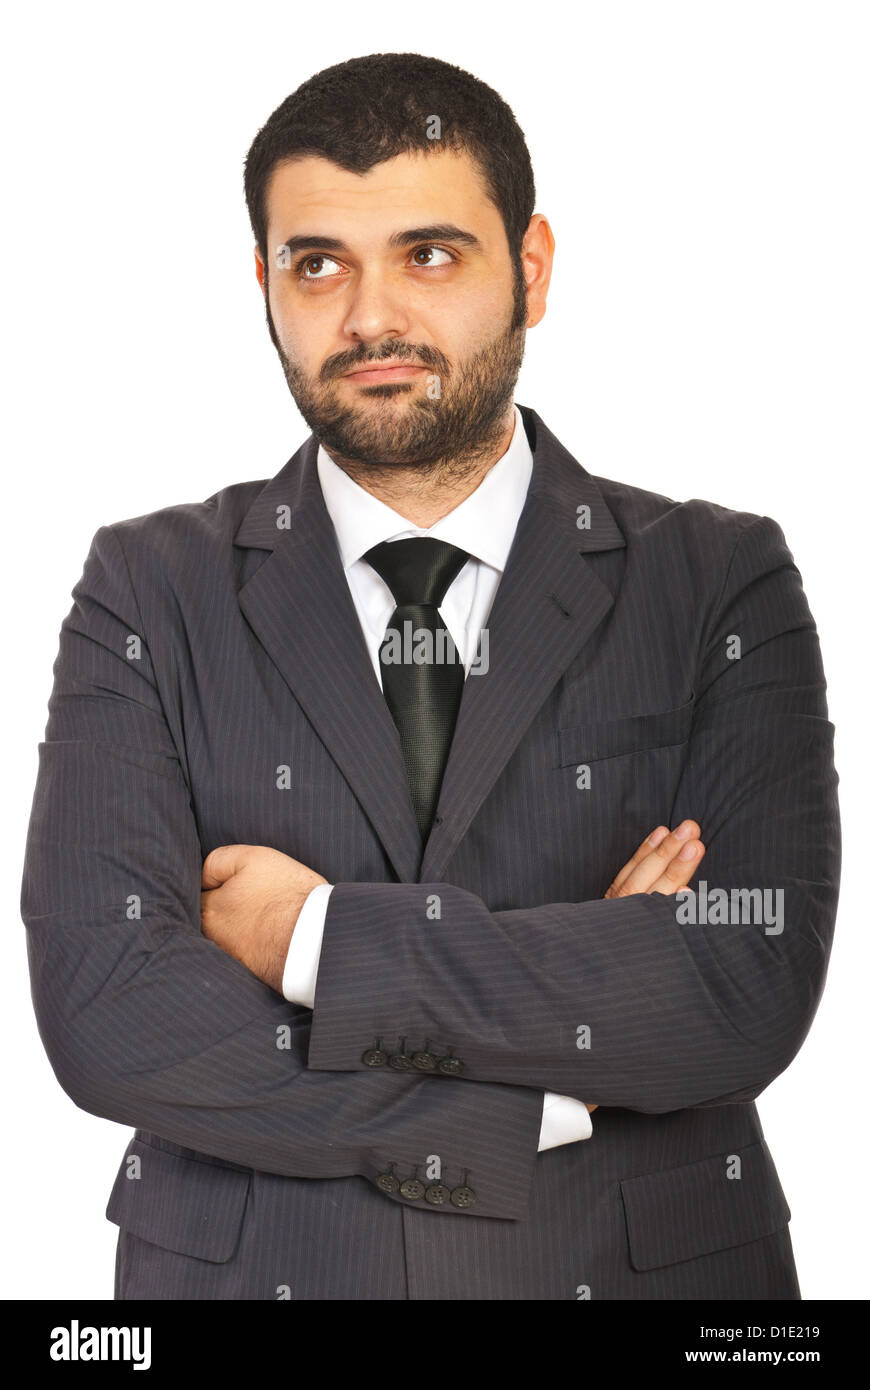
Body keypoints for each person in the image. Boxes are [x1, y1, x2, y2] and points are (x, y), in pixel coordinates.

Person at [21, 51, 840, 1301]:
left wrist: (314, 938)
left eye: (431, 254)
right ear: (264, 282)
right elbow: (112, 1009)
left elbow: (744, 978)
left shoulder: (717, 578)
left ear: (534, 267)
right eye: (317, 263)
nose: (369, 319)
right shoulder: (150, 589)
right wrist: (550, 1081)